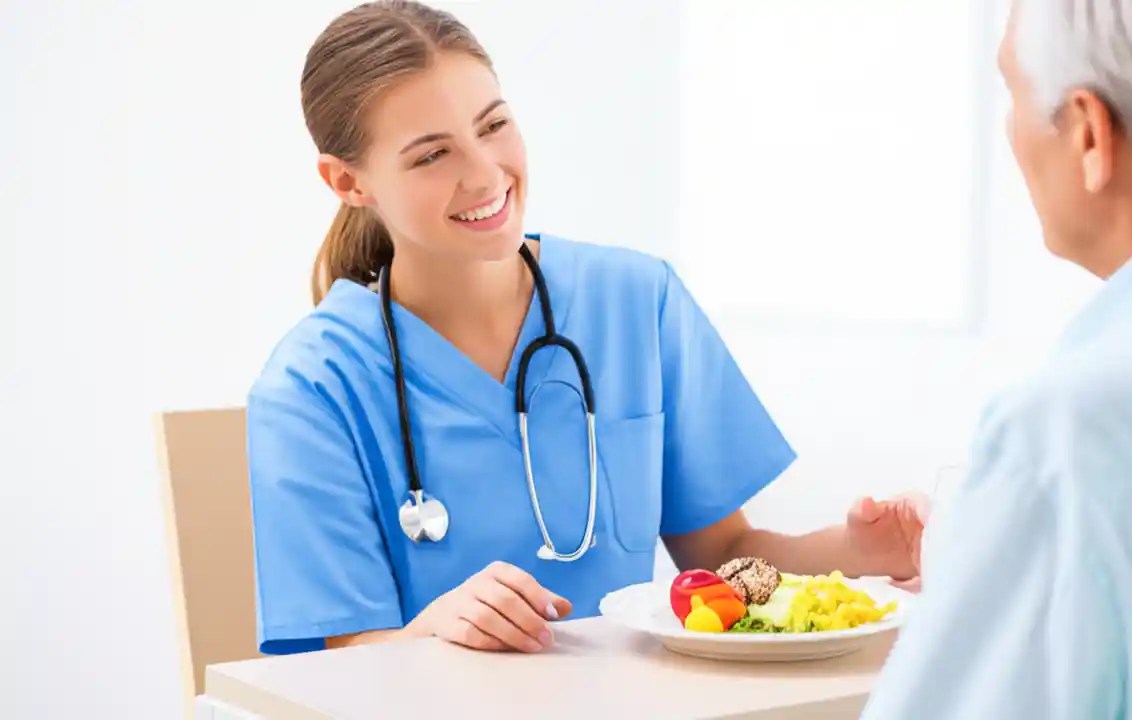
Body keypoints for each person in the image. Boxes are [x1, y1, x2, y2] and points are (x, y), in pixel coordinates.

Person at [247, 0, 927, 656]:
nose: (485, 174)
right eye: (432, 155)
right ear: (347, 182)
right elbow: (342, 670)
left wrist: (857, 553)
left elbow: (722, 559)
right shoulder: (311, 387)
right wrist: (433, 632)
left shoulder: (636, 302)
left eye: (492, 126)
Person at [864, 0, 1132, 717]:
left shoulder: (1080, 434)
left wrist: (1032, 525)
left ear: (1090, 134)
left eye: (1014, 94)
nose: (1010, 131)